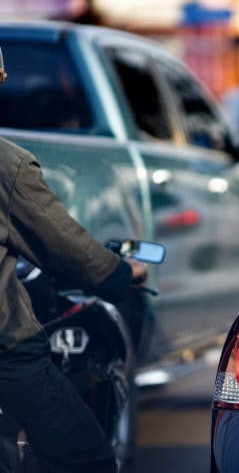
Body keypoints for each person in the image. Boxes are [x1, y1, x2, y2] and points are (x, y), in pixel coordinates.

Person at [0, 140, 148, 467]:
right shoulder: (8, 164)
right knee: (88, 459)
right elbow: (67, 248)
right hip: (7, 352)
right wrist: (119, 272)